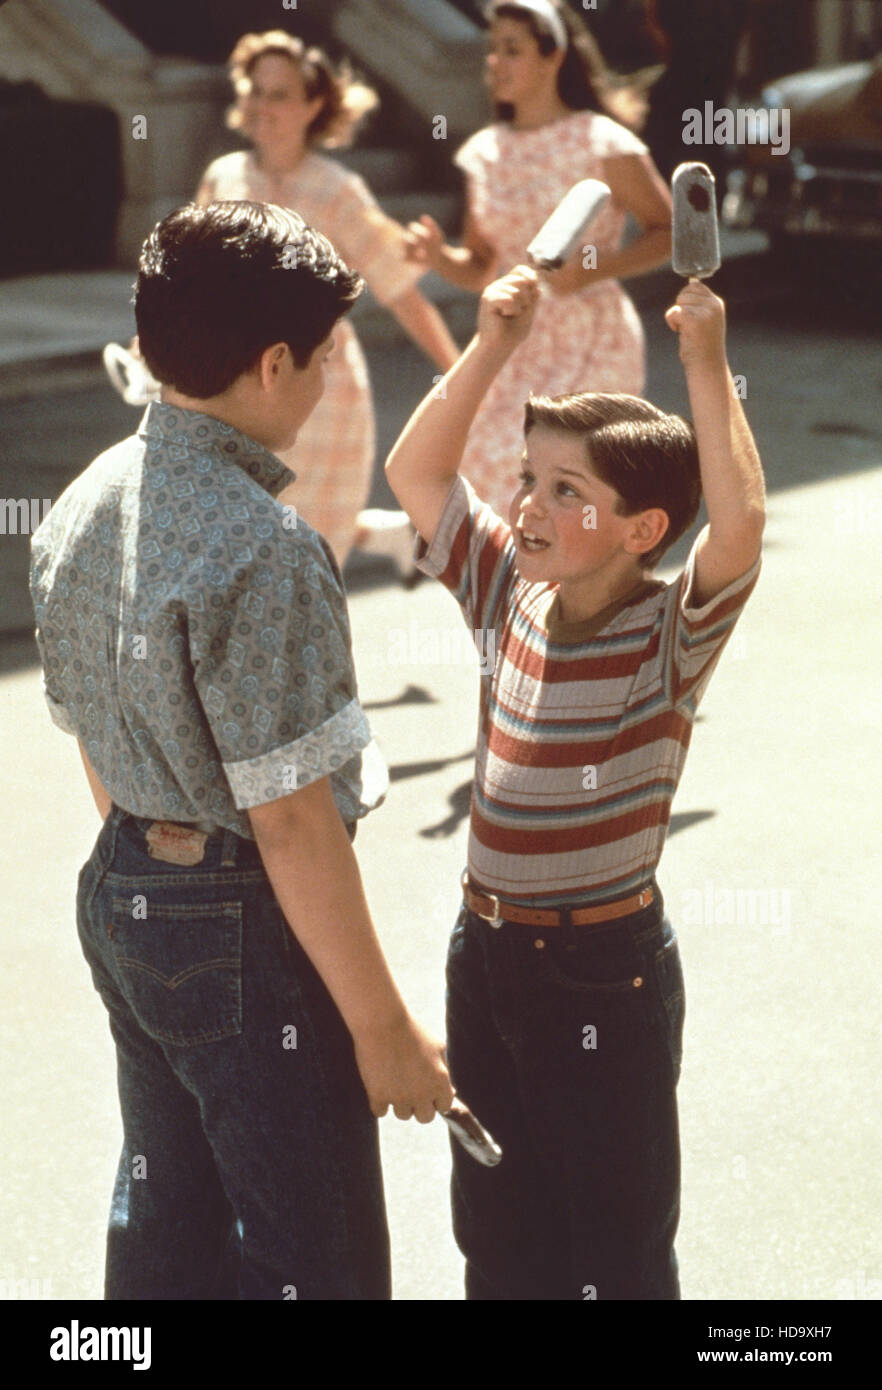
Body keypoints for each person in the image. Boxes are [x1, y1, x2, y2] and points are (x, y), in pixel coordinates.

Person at [30, 200, 453, 1301]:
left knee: (164, 1225)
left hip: (122, 883)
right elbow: (293, 820)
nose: (324, 384)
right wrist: (386, 1030)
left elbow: (98, 750)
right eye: (321, 359)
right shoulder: (266, 548)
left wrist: (155, 871)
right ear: (273, 363)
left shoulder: (78, 506)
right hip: (241, 921)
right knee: (317, 1258)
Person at [385, 262, 765, 1299]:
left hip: (603, 967)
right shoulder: (511, 584)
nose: (531, 506)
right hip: (487, 948)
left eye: (568, 491)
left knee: (615, 1246)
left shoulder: (666, 635)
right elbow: (417, 473)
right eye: (528, 480)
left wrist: (707, 360)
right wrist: (491, 346)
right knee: (498, 1236)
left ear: (642, 529)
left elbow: (736, 528)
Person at [194, 29, 460, 569]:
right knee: (232, 543)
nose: (262, 105)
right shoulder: (222, 179)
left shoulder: (336, 189)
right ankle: (385, 533)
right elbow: (189, 282)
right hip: (228, 388)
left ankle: (368, 543)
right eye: (255, 89)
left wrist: (463, 378)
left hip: (318, 396)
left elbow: (402, 295)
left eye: (280, 93)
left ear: (313, 106)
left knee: (303, 558)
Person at [404, 0, 673, 517]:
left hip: (592, 340)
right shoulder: (483, 151)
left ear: (553, 58)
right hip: (512, 341)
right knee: (489, 476)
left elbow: (669, 234)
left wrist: (593, 267)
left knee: (572, 492)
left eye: (513, 50)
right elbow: (483, 265)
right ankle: (512, 599)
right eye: (491, 50)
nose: (495, 63)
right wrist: (440, 258)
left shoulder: (603, 141)